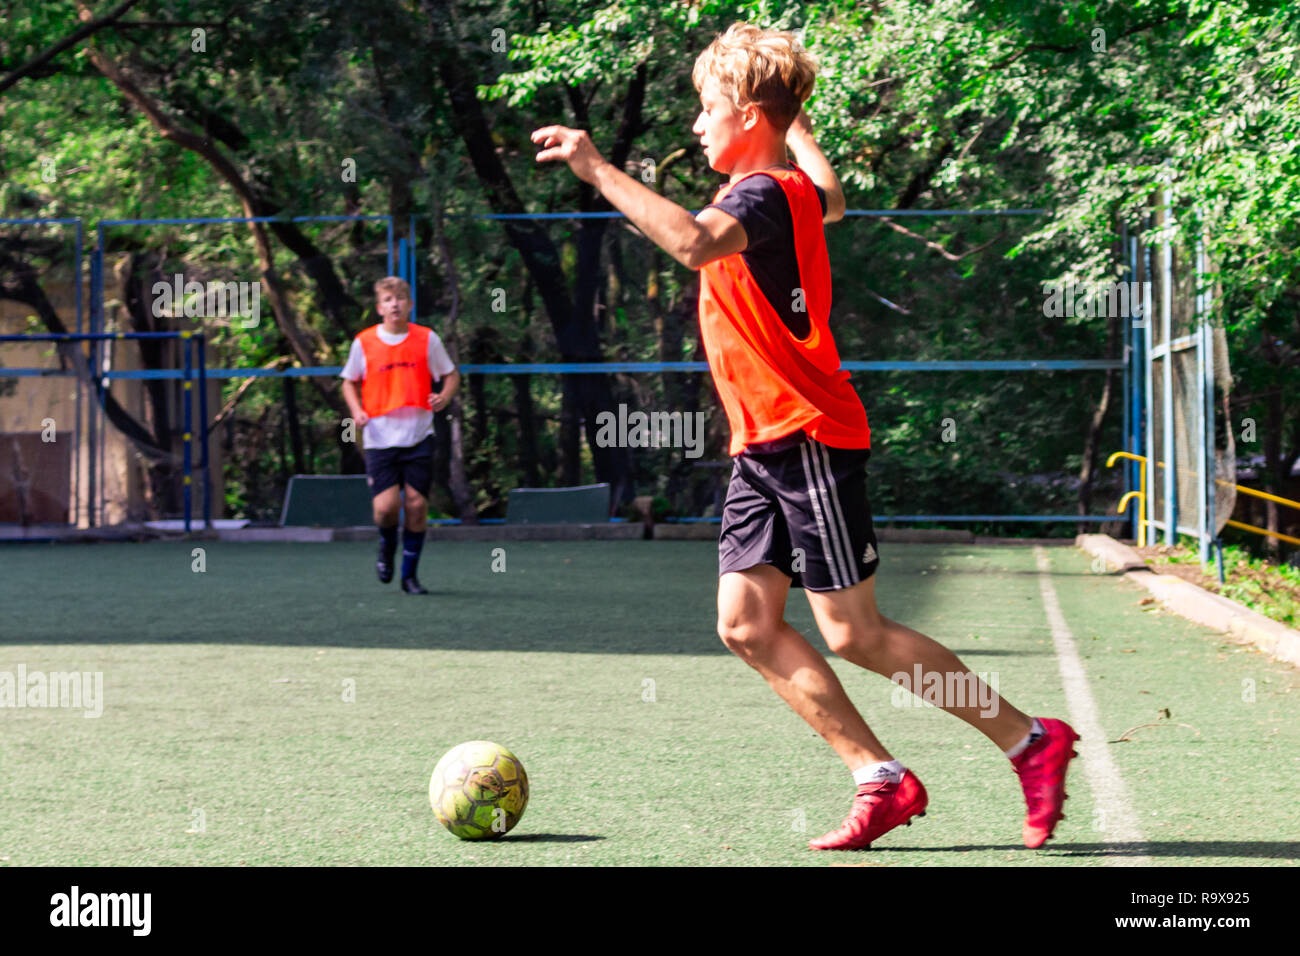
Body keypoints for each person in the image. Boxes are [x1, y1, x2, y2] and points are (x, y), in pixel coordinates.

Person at [531, 22, 1079, 850]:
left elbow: (688, 242)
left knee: (855, 633)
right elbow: (834, 194)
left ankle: (1030, 741)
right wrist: (801, 128)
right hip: (763, 446)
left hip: (809, 434)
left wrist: (594, 166)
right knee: (747, 625)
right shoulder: (790, 191)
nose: (695, 125)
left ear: (748, 114)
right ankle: (880, 778)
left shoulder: (754, 198)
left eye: (706, 108)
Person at [341, 276, 459, 595]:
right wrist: (356, 411)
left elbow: (450, 374)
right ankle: (386, 546)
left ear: (410, 304)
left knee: (417, 504)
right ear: (380, 307)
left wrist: (444, 396)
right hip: (380, 439)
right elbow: (348, 381)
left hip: (419, 434)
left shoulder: (426, 339)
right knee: (386, 508)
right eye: (389, 299)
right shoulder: (364, 342)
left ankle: (409, 577)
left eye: (401, 298)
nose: (395, 304)